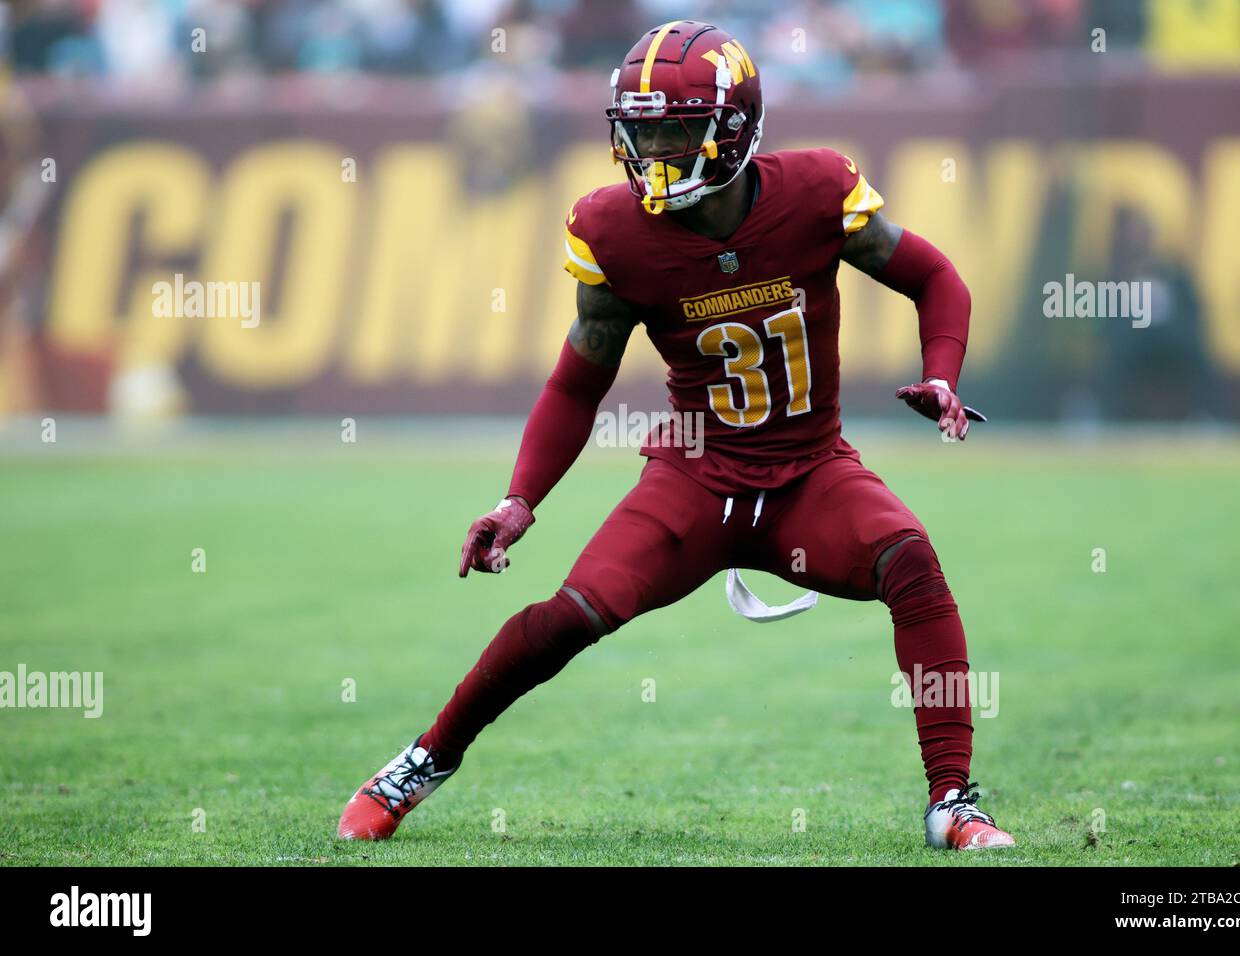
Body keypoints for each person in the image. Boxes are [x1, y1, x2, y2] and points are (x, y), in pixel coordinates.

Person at [339, 20, 1014, 851]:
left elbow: (934, 277)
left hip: (811, 472)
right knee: (568, 618)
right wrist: (520, 500)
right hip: (697, 477)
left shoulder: (815, 191)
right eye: (641, 128)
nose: (654, 147)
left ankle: (953, 800)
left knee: (911, 561)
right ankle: (419, 763)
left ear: (734, 127)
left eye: (676, 127)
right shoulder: (615, 231)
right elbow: (577, 381)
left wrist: (942, 369)